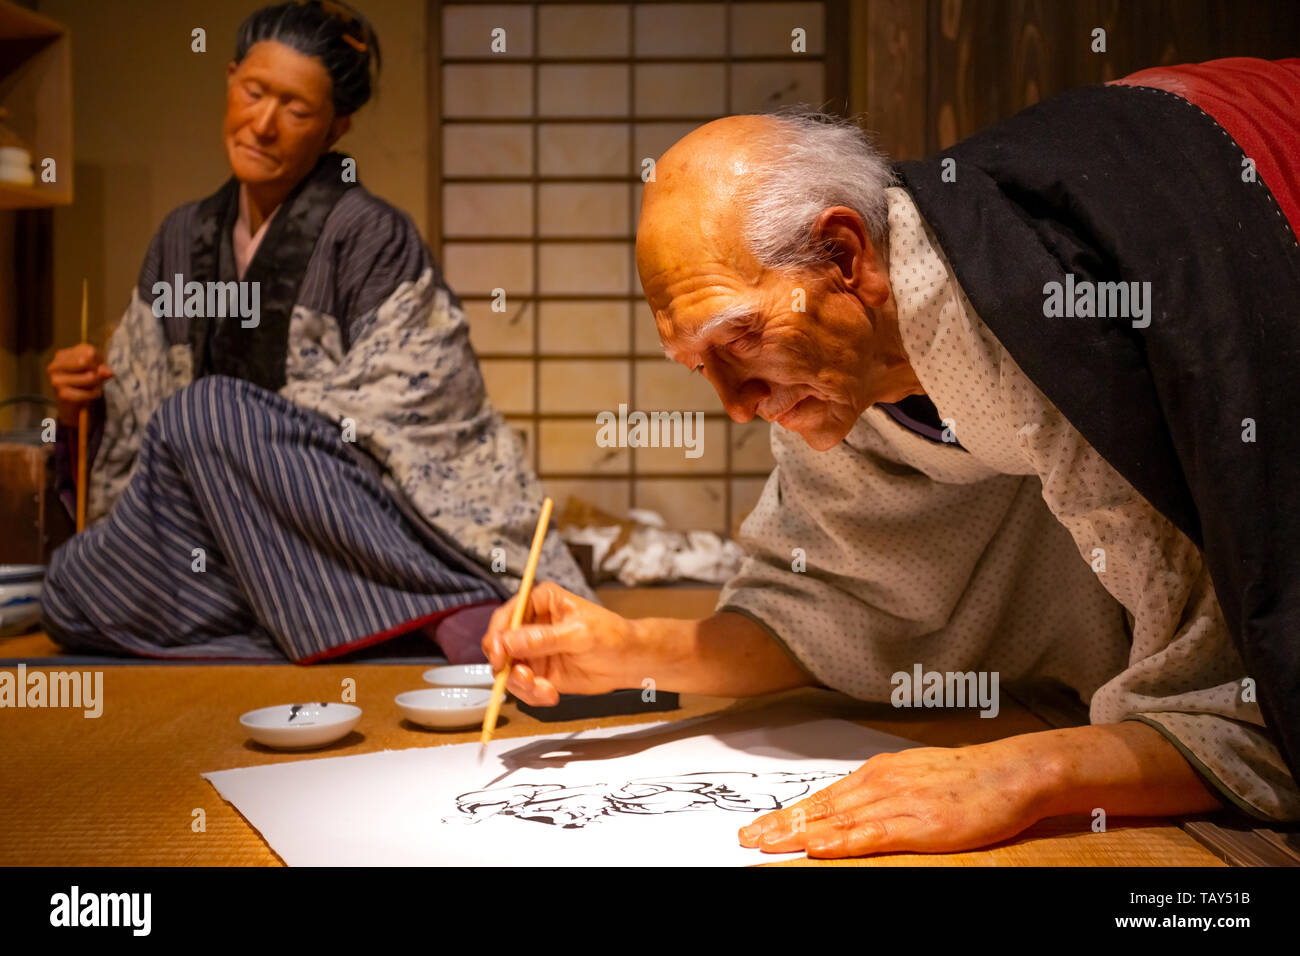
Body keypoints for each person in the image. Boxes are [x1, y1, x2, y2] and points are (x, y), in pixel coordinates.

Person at [482, 57, 1300, 857]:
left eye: (742, 337)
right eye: (703, 365)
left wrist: (1026, 774)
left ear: (845, 257)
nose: (734, 403)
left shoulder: (1051, 313)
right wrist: (638, 650)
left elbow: (1240, 701)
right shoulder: (846, 374)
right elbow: (838, 603)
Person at [42, 0, 589, 663]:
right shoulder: (181, 238)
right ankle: (342, 619)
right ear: (229, 79)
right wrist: (85, 409)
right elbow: (140, 427)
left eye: (297, 110)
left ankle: (434, 602)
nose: (263, 124)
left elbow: (423, 412)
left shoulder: (371, 234)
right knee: (69, 592)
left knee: (206, 412)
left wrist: (247, 436)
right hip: (214, 532)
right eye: (253, 91)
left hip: (339, 519)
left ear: (336, 128)